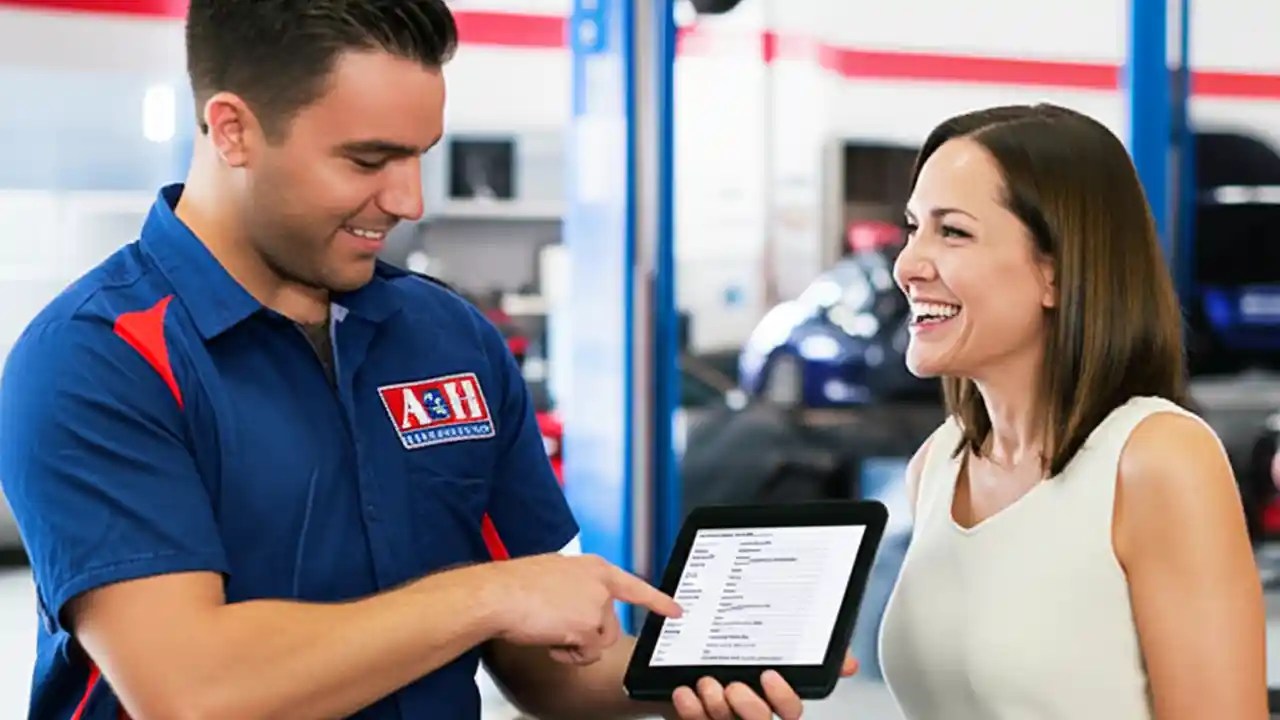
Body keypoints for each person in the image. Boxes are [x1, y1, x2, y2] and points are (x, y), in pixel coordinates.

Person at [0, 2, 854, 719]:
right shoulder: (96, 359)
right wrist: (486, 595)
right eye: (368, 160)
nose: (407, 201)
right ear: (233, 129)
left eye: (420, 156)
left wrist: (687, 676)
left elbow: (541, 666)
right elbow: (193, 692)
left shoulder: (449, 341)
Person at [877, 103, 1269, 719]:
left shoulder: (1155, 459)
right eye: (912, 228)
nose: (908, 265)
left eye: (952, 232)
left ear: (1056, 271)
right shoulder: (938, 464)